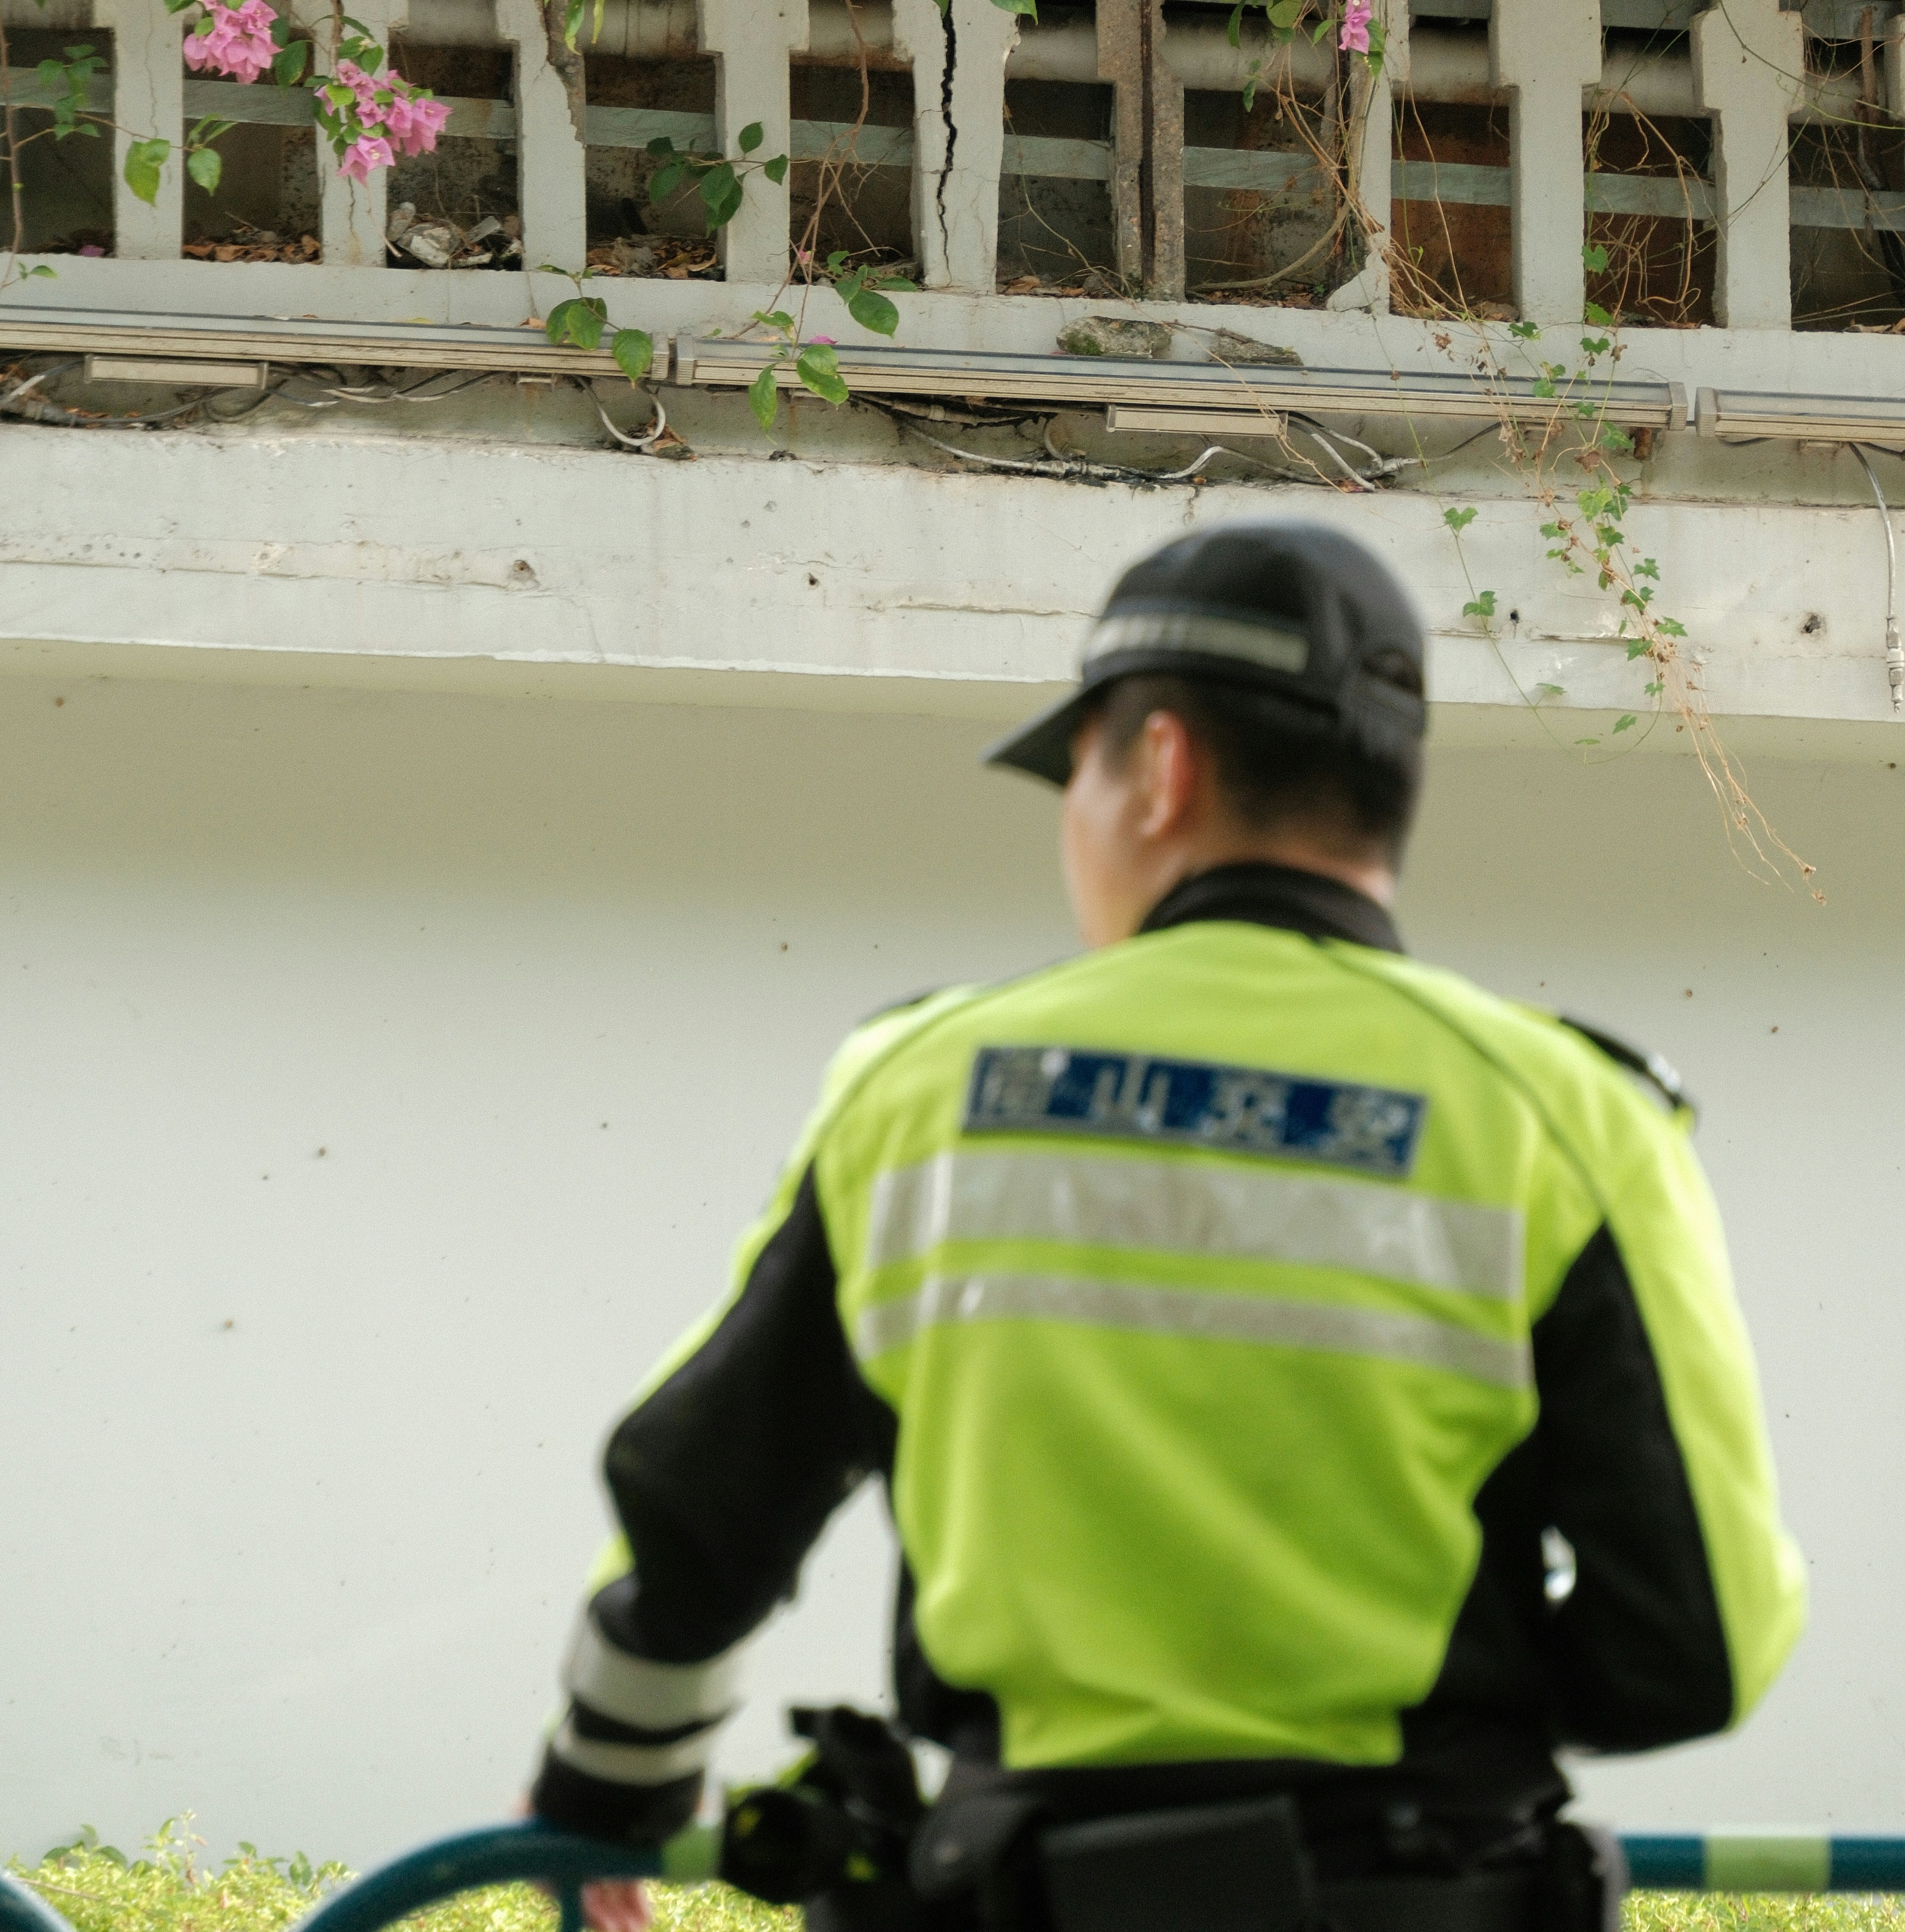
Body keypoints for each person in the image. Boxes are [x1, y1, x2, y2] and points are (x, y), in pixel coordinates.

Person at [524, 520, 1806, 1932]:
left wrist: (606, 1802)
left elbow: (699, 1522)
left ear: (1162, 768)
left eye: (1073, 769)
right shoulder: (1564, 1118)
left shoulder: (923, 1095)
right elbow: (1701, 1644)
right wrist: (1445, 1746)